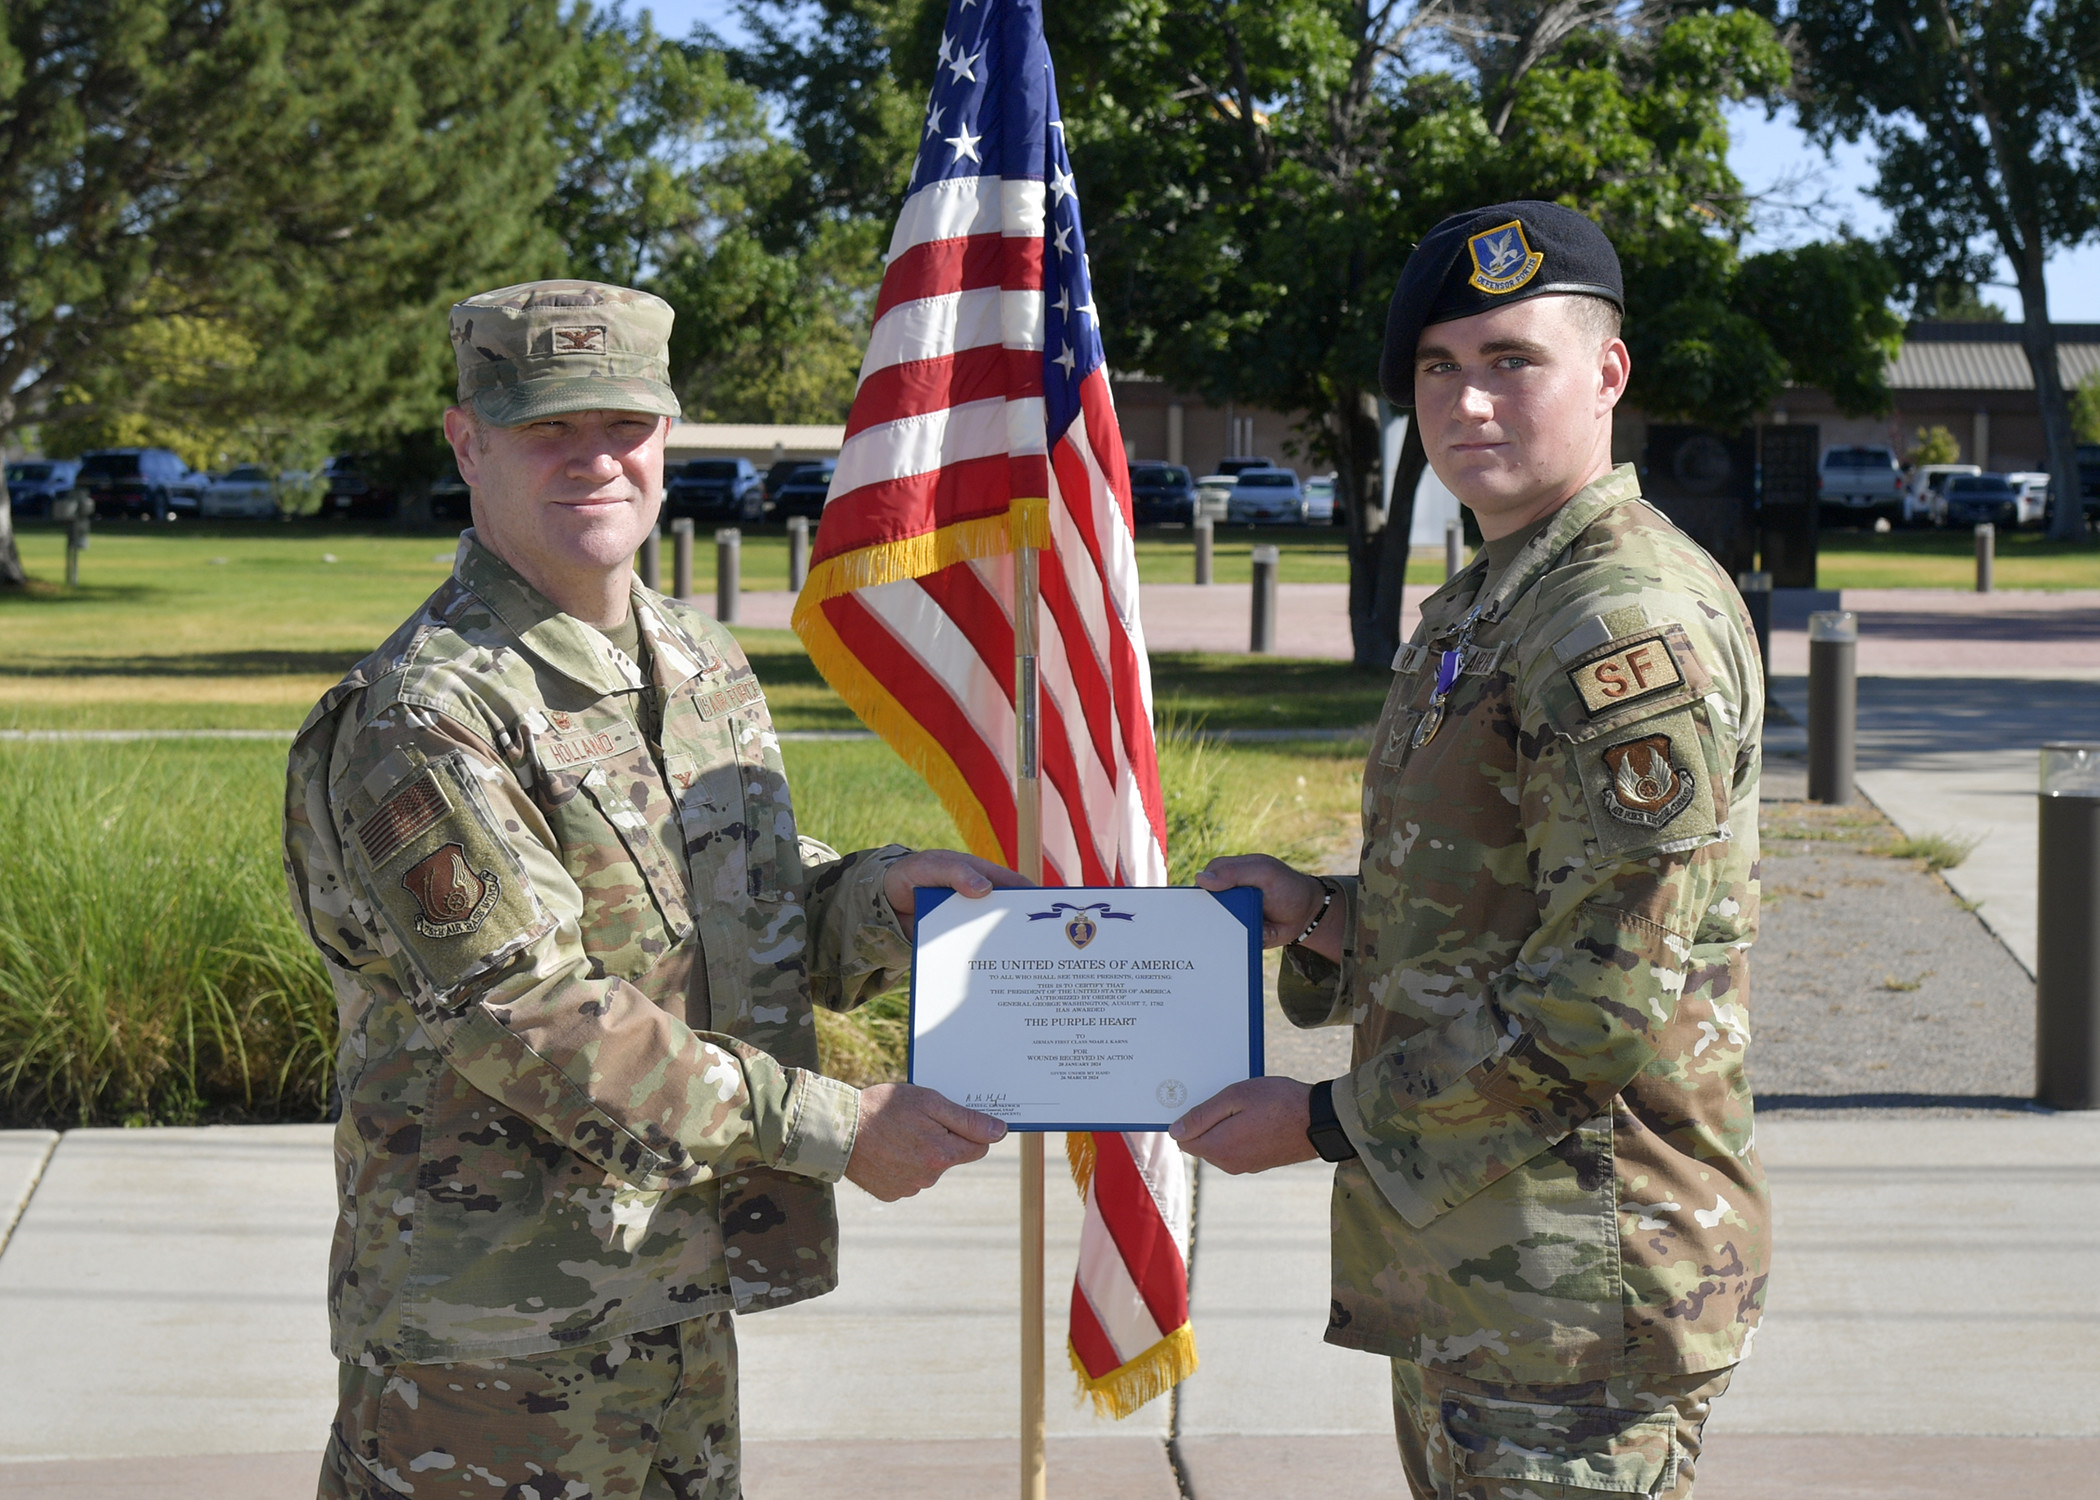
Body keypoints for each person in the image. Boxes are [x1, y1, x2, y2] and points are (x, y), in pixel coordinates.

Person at [283, 279, 1020, 1499]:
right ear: (467, 443)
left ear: (665, 437)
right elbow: (533, 1016)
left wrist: (886, 902)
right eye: (547, 428)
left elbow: (738, 908)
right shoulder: (426, 713)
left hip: (673, 1300)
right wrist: (839, 1128)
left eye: (623, 425)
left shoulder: (692, 659)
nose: (595, 460)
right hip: (492, 1345)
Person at [1169, 203, 1768, 1499]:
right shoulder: (1494, 598)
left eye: (1511, 359)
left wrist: (1321, 1121)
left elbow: (1599, 1001)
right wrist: (1318, 915)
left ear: (1607, 373)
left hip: (1579, 1287)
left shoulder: (1619, 623)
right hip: (1483, 1265)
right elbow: (1499, 912)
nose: (1467, 401)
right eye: (1438, 367)